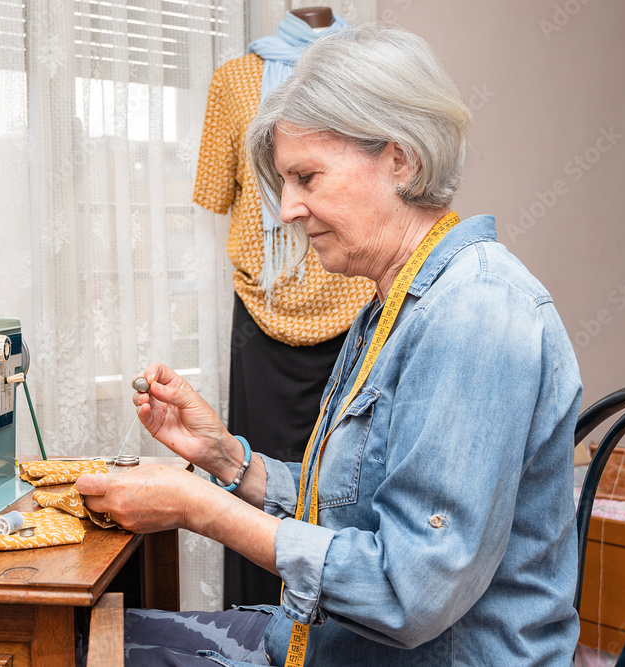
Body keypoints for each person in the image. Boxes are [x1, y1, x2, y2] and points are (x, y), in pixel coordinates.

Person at [77, 24, 582, 666]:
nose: (287, 208)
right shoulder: (394, 301)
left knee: (82, 649)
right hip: (339, 646)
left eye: (306, 177)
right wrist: (231, 462)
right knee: (100, 639)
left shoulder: (475, 313)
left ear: (402, 160)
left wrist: (200, 508)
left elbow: (408, 591)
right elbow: (356, 507)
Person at [194, 6, 376, 609]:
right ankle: (255, 631)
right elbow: (220, 193)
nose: (292, 204)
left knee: (351, 490)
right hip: (262, 317)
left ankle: (338, 641)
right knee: (251, 490)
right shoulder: (234, 80)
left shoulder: (370, 74)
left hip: (357, 308)